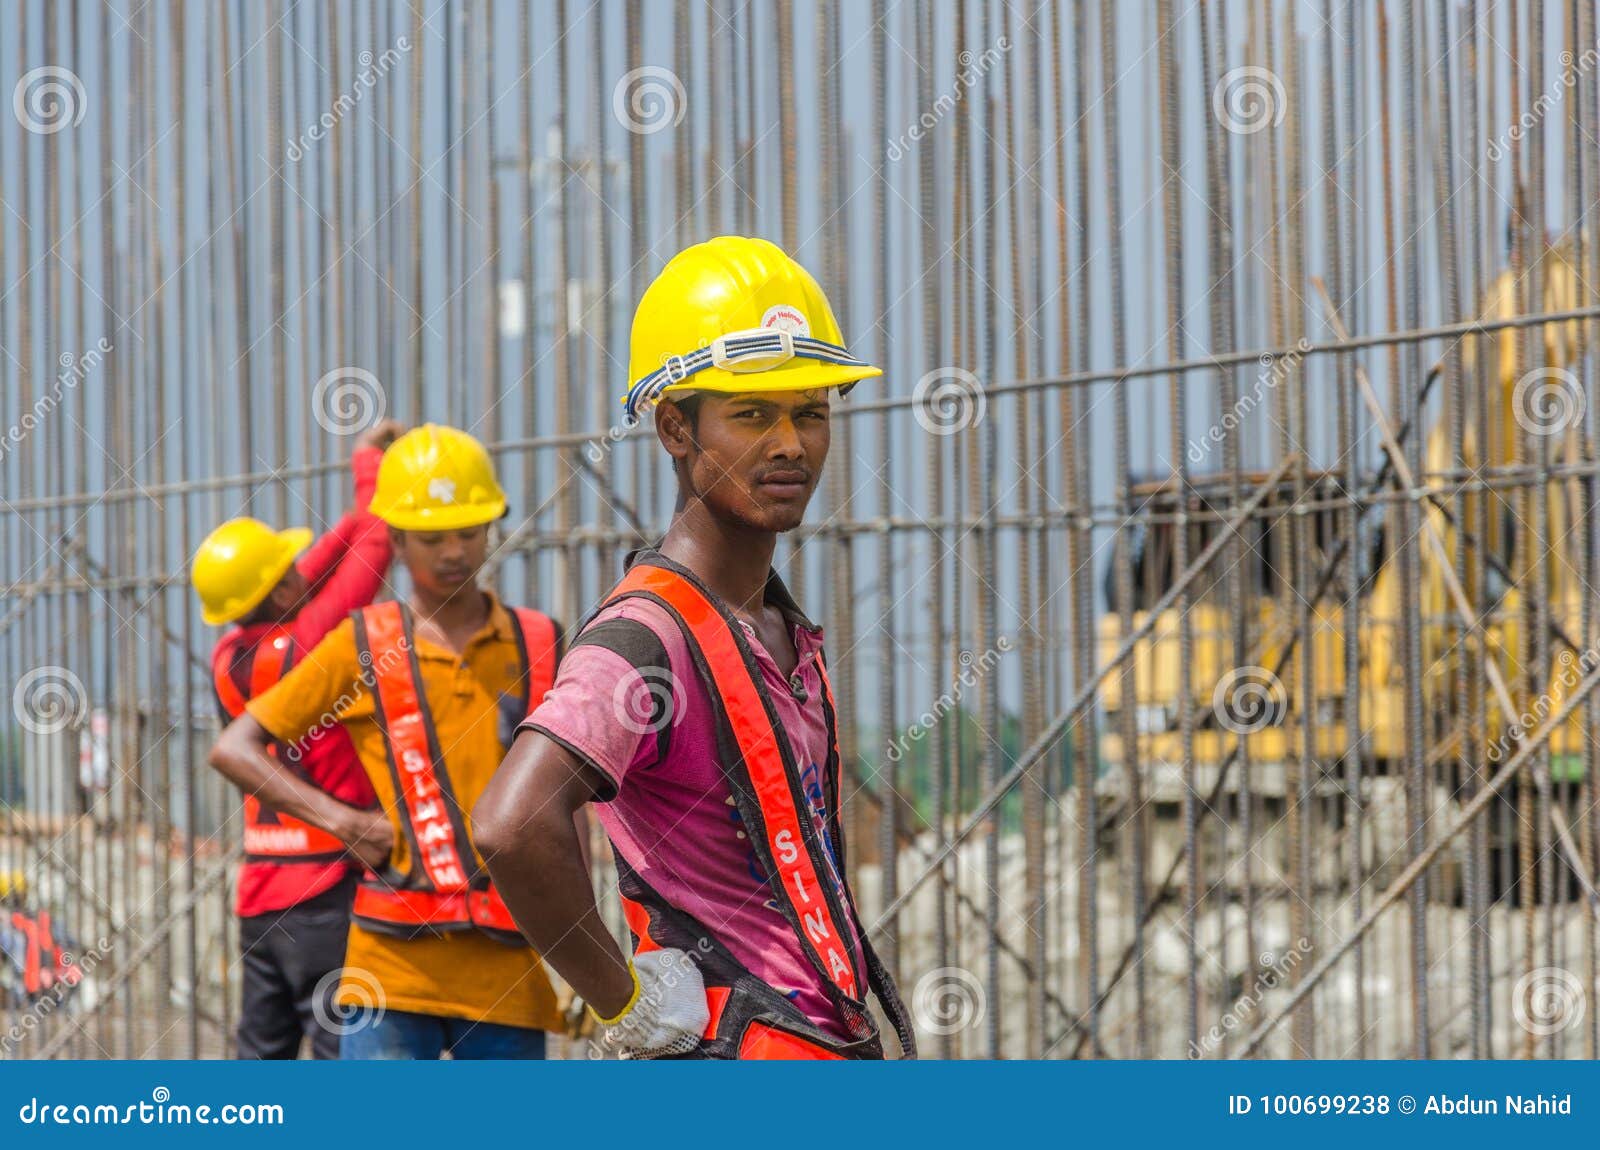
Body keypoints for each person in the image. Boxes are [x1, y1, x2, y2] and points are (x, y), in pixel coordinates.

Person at [476, 235, 916, 1059]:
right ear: (675, 429)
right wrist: (622, 1000)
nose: (791, 443)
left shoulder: (779, 630)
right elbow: (512, 822)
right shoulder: (645, 640)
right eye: (753, 414)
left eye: (812, 412)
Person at [208, 424, 565, 1060]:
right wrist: (345, 821)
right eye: (431, 538)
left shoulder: (540, 642)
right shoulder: (359, 643)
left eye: (468, 532)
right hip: (391, 969)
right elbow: (235, 746)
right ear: (398, 540)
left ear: (492, 527)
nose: (453, 552)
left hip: (508, 964)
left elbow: (569, 809)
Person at [194, 419, 400, 1059]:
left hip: (260, 894)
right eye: (287, 571)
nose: (299, 572)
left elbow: (309, 571)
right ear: (278, 589)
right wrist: (372, 468)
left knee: (262, 1061)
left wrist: (356, 489)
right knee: (344, 1060)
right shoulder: (312, 645)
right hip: (327, 892)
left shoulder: (231, 653)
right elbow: (375, 543)